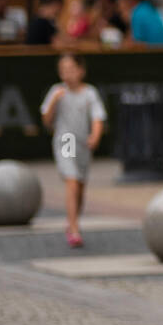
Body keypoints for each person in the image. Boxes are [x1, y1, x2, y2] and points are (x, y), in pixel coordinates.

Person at [40, 53, 106, 248]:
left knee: (81, 184)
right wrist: (53, 102)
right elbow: (46, 120)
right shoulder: (56, 92)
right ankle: (74, 227)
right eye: (63, 70)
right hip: (66, 140)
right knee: (72, 181)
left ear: (81, 71)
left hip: (82, 142)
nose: (67, 74)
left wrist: (95, 135)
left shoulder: (89, 93)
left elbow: (97, 117)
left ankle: (72, 220)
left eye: (71, 69)